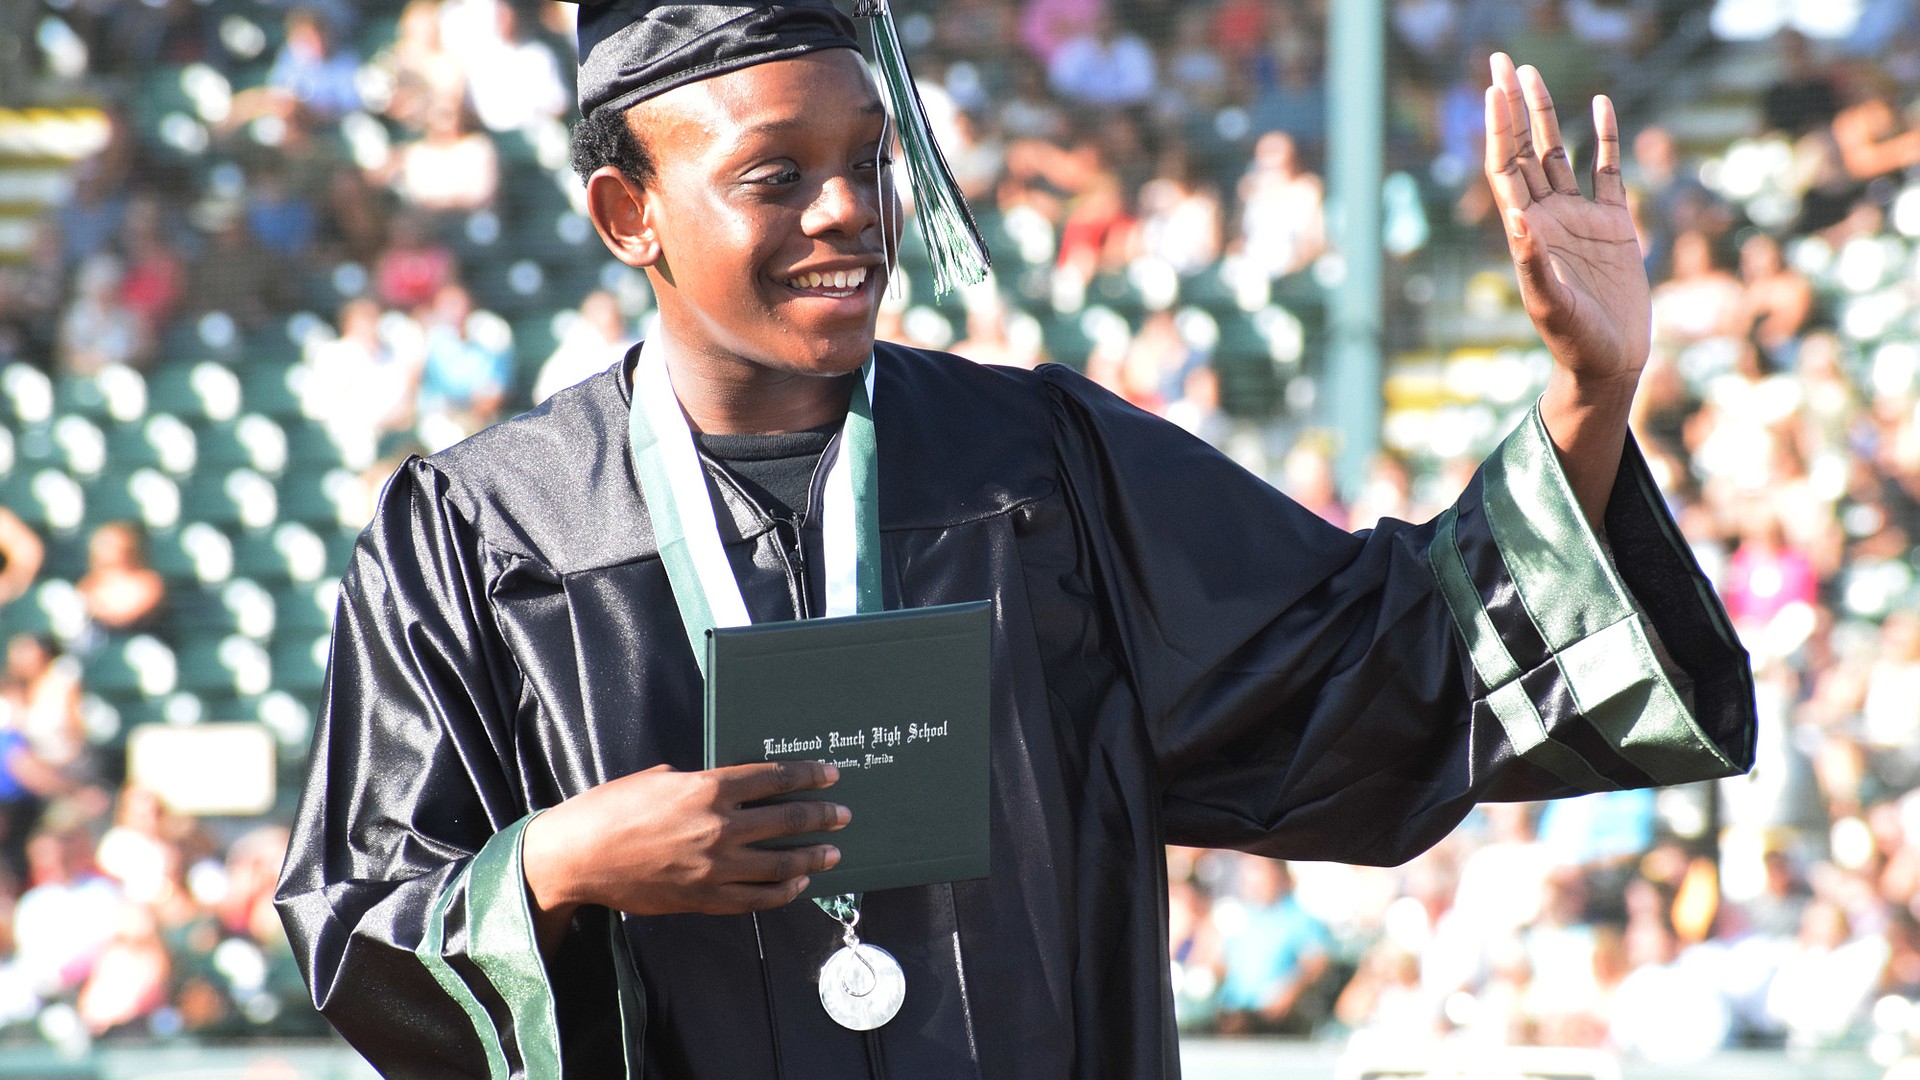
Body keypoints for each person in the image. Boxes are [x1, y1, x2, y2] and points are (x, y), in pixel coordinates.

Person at [276, 6, 1756, 1076]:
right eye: (773, 177)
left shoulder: (1040, 469)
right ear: (627, 212)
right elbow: (360, 930)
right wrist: (559, 861)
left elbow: (1392, 663)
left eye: (869, 157)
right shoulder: (480, 535)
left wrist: (1588, 392)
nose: (849, 212)